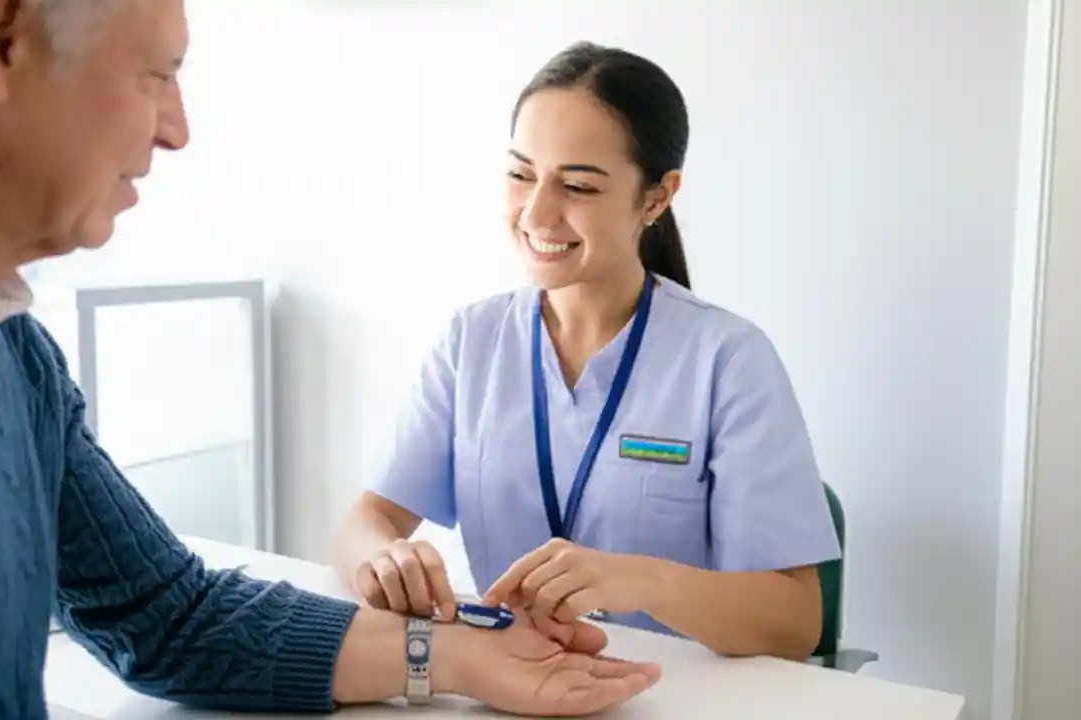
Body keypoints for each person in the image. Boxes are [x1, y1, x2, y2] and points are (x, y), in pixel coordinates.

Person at [0, 2, 662, 717]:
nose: (177, 129)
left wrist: (450, 656)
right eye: (158, 74)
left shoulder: (5, 342)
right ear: (1, 34)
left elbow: (167, 616)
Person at [334, 41, 841, 661]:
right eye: (521, 174)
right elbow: (366, 522)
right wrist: (384, 558)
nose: (538, 213)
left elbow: (794, 624)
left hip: (670, 695)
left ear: (656, 198)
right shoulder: (472, 342)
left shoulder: (728, 360)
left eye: (577, 185)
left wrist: (643, 579)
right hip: (504, 685)